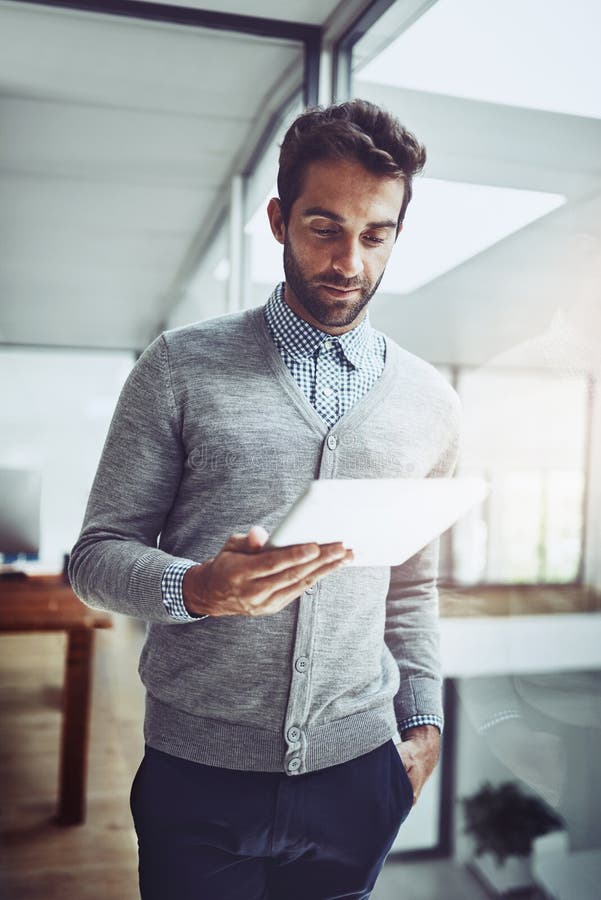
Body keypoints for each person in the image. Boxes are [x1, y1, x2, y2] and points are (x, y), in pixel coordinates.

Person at [69, 99, 460, 900]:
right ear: (279, 218)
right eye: (324, 227)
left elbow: (413, 587)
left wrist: (421, 725)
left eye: (375, 234)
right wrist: (198, 589)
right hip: (198, 775)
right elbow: (95, 559)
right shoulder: (179, 367)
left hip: (361, 778)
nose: (349, 260)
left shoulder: (431, 402)